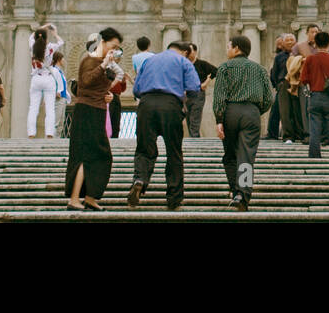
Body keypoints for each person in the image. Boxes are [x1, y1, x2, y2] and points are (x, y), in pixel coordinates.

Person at [129, 41, 200, 211]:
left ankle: (139, 180)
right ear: (184, 52)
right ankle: (174, 198)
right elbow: (194, 87)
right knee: (174, 152)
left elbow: (136, 89)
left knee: (144, 149)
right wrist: (185, 101)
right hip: (170, 105)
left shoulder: (149, 61)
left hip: (146, 104)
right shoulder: (183, 62)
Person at [213, 35, 274, 210]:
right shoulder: (260, 69)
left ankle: (235, 191)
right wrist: (256, 111)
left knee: (230, 156)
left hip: (230, 112)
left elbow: (219, 96)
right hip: (252, 113)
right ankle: (243, 194)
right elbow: (269, 98)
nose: (227, 50)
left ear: (237, 48)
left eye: (228, 47)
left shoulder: (224, 67)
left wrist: (219, 119)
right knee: (246, 156)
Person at [66, 27, 123, 210]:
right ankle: (74, 199)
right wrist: (104, 64)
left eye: (117, 48)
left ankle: (90, 197)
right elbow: (86, 81)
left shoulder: (102, 62)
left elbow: (100, 86)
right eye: (112, 46)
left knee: (102, 155)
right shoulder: (89, 60)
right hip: (86, 112)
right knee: (85, 155)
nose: (114, 51)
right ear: (102, 42)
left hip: (97, 111)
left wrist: (109, 95)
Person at [301, 30, 329, 160]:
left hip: (315, 96)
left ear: (315, 43)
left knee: (315, 130)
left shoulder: (310, 60)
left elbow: (303, 79)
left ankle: (314, 157)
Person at [28, 23, 63, 138]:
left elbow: (32, 35)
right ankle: (49, 133)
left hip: (36, 78)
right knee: (50, 108)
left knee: (33, 107)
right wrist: (55, 32)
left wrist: (44, 27)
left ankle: (31, 133)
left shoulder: (32, 45)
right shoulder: (50, 47)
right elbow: (61, 42)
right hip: (48, 79)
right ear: (46, 38)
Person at [183, 43, 217, 138]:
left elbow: (215, 71)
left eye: (190, 51)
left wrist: (206, 83)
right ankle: (193, 139)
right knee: (189, 118)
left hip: (198, 93)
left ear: (195, 51)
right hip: (186, 94)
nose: (188, 53)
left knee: (195, 118)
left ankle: (194, 140)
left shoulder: (202, 64)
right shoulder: (184, 64)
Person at [266, 35, 288, 140]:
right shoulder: (279, 56)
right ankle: (272, 133)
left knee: (278, 111)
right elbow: (273, 72)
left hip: (284, 84)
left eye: (280, 43)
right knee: (276, 110)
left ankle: (274, 133)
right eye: (277, 44)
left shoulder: (287, 55)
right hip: (281, 86)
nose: (278, 46)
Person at [51, 52, 71, 138]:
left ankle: (56, 140)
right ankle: (50, 141)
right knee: (55, 122)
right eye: (63, 59)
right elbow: (51, 83)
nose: (64, 61)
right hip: (57, 99)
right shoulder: (54, 70)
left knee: (61, 124)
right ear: (59, 60)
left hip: (63, 98)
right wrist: (55, 92)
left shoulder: (60, 71)